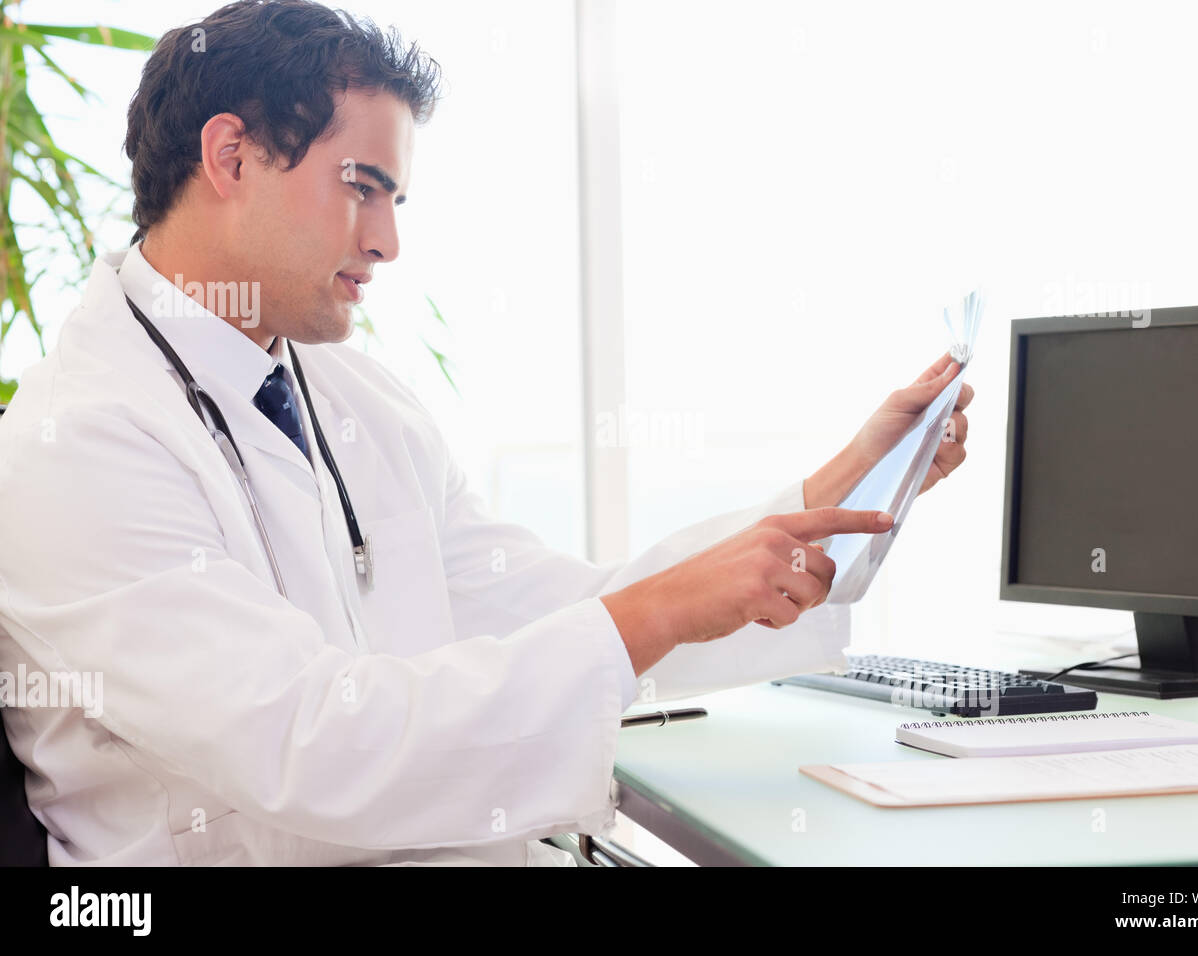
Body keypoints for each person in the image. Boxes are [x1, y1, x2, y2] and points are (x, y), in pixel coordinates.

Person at [0, 0, 973, 866]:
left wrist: (843, 488)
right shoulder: (74, 443)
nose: (386, 241)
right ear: (231, 157)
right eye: (361, 185)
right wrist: (658, 610)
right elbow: (312, 746)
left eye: (394, 199)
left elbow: (549, 610)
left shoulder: (352, 397)